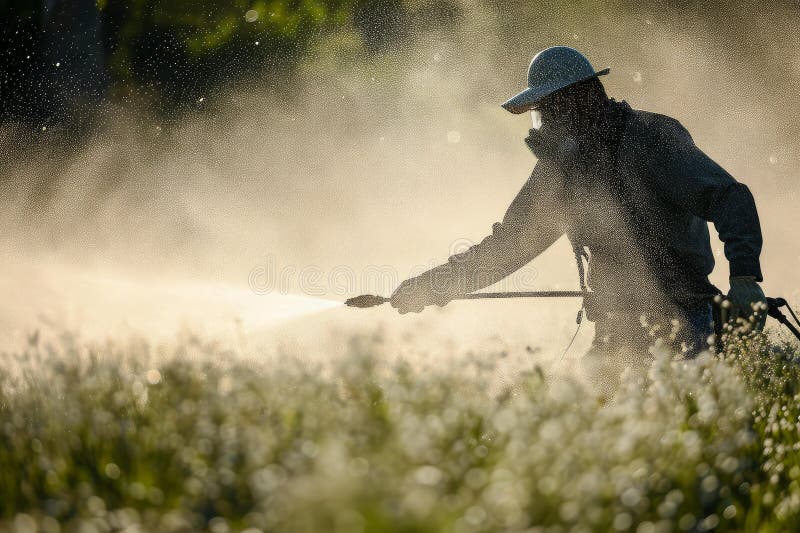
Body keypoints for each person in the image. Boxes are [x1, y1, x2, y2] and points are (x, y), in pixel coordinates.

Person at [389, 46, 766, 359]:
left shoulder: (651, 140)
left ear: (582, 99)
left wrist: (745, 276)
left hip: (688, 321)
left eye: (548, 111)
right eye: (541, 115)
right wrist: (430, 288)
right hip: (618, 331)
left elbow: (730, 197)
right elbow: (506, 248)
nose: (544, 125)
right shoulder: (560, 174)